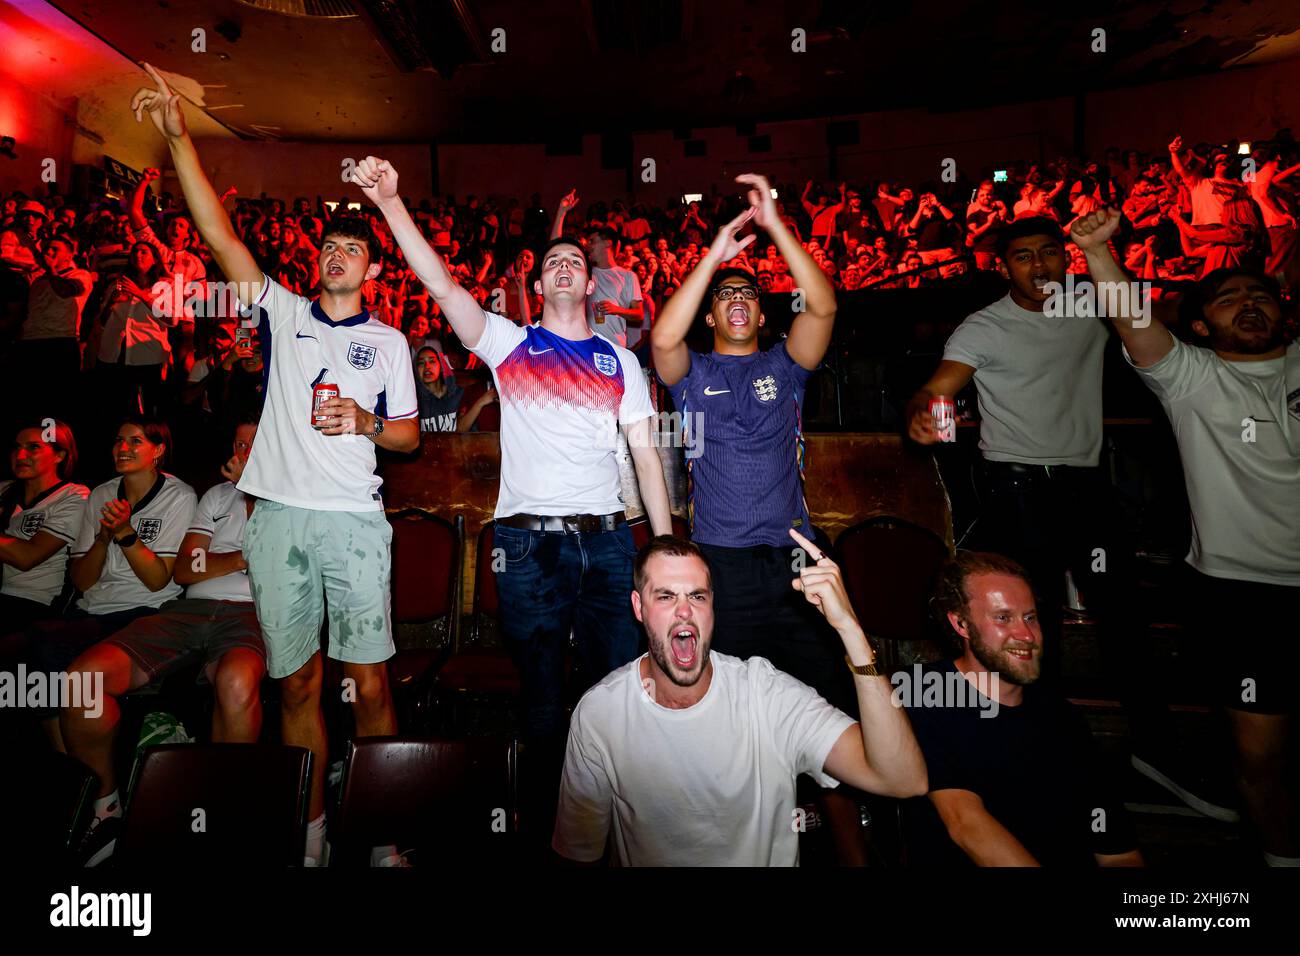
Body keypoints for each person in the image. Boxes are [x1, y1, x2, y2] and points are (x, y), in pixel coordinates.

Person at [132, 63, 420, 866]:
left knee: (370, 687)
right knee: (296, 684)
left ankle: (383, 831)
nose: (336, 254)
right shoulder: (283, 311)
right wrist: (181, 140)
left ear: (371, 268)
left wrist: (366, 419)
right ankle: (313, 833)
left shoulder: (390, 342)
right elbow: (219, 234)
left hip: (356, 525)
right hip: (279, 522)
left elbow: (407, 439)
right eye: (328, 245)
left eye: (351, 247)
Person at [351, 153, 672, 842]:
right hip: (527, 548)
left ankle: (622, 828)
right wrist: (389, 204)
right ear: (536, 283)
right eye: (551, 260)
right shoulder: (510, 345)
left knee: (619, 691)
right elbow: (437, 281)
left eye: (572, 261)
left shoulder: (621, 363)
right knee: (544, 699)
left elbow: (646, 453)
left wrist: (667, 546)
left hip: (612, 543)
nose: (562, 265)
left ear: (590, 282)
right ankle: (550, 833)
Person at [904, 215, 1228, 818]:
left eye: (1049, 253)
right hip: (1019, 489)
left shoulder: (1090, 303)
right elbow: (939, 387)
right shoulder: (986, 325)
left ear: (1066, 257)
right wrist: (926, 411)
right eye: (1024, 256)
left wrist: (1103, 255)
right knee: (1035, 624)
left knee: (1125, 619)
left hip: (1087, 485)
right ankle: (1045, 755)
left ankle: (1157, 755)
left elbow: (1151, 317)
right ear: (1006, 267)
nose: (1040, 266)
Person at [1072, 207, 1300, 867]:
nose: (1248, 304)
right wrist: (1096, 251)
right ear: (1201, 327)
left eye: (1260, 294)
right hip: (1244, 598)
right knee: (1261, 755)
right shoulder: (1193, 377)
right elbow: (1132, 322)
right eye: (1228, 299)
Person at [551, 532, 926, 866]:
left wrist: (851, 630)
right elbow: (579, 852)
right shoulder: (601, 714)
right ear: (638, 607)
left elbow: (903, 779)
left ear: (713, 605)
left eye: (697, 596)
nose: (685, 611)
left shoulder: (767, 695)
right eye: (665, 596)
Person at [62, 418, 268, 866]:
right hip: (187, 610)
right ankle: (107, 808)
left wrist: (251, 501)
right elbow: (187, 570)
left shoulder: (292, 497)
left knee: (235, 682)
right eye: (237, 442)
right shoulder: (216, 495)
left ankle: (225, 813)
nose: (241, 450)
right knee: (81, 681)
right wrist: (242, 558)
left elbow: (277, 564)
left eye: (253, 443)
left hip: (250, 613)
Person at [901, 551, 1142, 867]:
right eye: (1003, 618)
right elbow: (966, 823)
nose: (1026, 635)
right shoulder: (924, 692)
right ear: (960, 623)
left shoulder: (1062, 717)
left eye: (1030, 617)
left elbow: (1116, 848)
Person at [0, 416, 195, 750]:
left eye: (135, 441)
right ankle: (72, 760)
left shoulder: (179, 496)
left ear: (158, 450)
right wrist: (103, 540)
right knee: (21, 665)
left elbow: (157, 579)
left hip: (145, 611)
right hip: (91, 610)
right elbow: (81, 581)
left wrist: (125, 533)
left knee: (45, 648)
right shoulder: (102, 494)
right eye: (118, 440)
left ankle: (94, 765)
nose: (122, 448)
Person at [0, 420, 88, 629]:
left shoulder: (75, 496)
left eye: (33, 447)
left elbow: (27, 557)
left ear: (60, 455)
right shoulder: (4, 490)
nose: (20, 456)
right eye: (16, 448)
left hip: (35, 604)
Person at [89, 241, 178, 416]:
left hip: (147, 356)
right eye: (135, 252)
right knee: (117, 408)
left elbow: (172, 319)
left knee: (150, 408)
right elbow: (102, 322)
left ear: (155, 260)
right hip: (114, 355)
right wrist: (111, 303)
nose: (138, 255)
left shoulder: (165, 286)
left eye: (144, 252)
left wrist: (141, 294)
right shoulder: (117, 285)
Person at [414, 345, 496, 433]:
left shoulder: (459, 394)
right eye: (421, 363)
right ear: (416, 369)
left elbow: (462, 429)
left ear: (441, 366)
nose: (427, 366)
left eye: (432, 361)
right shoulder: (414, 401)